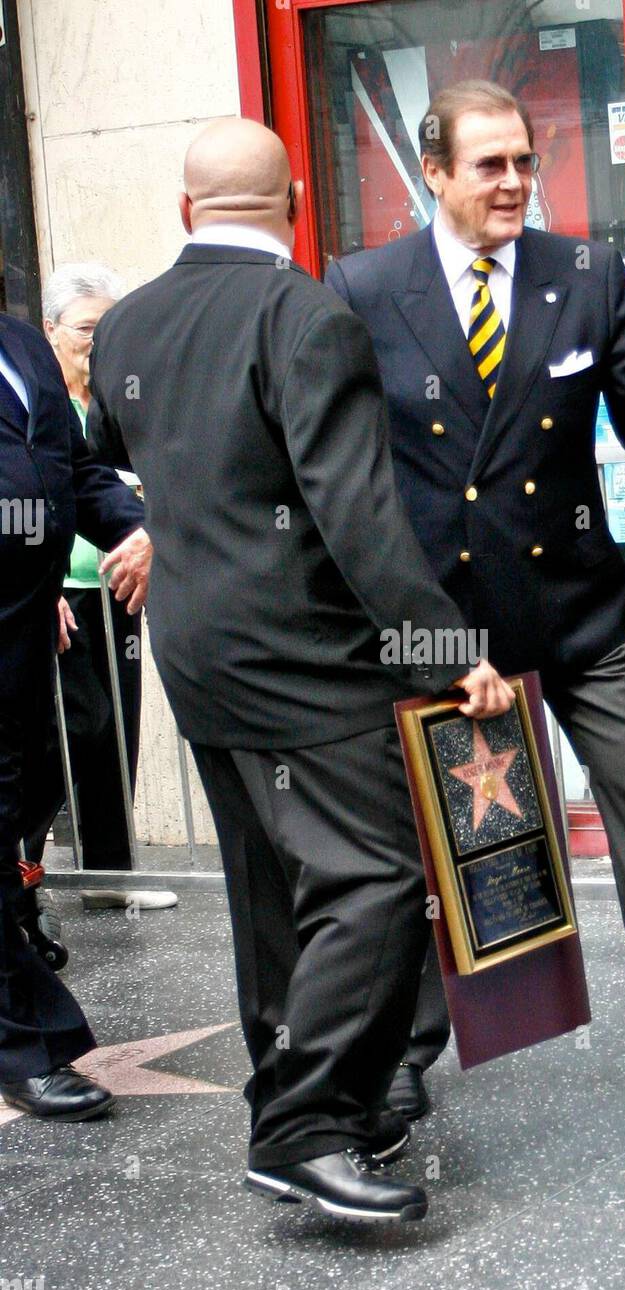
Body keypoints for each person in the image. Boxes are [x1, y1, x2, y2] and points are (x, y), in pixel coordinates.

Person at [325, 79, 625, 1120]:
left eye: (524, 162)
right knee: (425, 841)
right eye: (487, 164)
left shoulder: (584, 275)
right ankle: (404, 1049)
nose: (511, 182)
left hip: (579, 608)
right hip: (438, 625)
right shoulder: (363, 287)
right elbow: (340, 470)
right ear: (435, 173)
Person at [84, 116, 513, 1222]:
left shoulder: (127, 322)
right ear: (296, 208)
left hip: (193, 653)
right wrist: (449, 650)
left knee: (271, 892)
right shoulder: (305, 315)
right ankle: (306, 1128)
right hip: (307, 659)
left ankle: (303, 1091)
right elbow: (359, 517)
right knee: (371, 881)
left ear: (186, 212)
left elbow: (123, 458)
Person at [0, 309, 149, 1120]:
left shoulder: (22, 343)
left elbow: (76, 470)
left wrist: (136, 531)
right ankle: (33, 1042)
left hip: (24, 643)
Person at [21, 263, 176, 914]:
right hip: (54, 596)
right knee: (70, 735)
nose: (98, 340)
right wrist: (38, 578)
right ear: (52, 331)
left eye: (108, 327)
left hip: (116, 585)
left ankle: (111, 874)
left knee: (115, 735)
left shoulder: (118, 397)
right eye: (87, 328)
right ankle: (28, 861)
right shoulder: (29, 394)